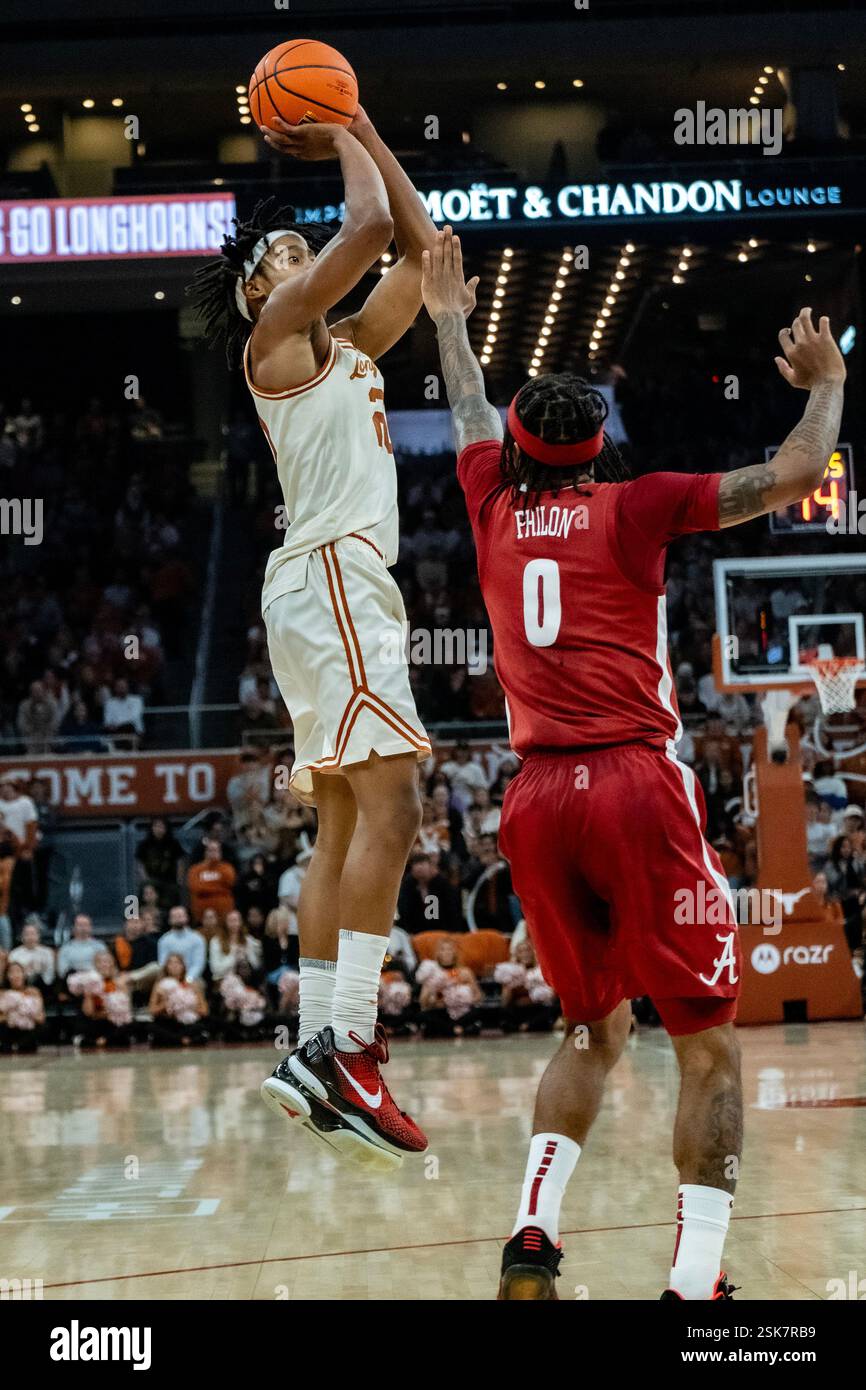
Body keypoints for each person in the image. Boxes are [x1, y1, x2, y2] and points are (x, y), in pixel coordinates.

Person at [424, 228, 847, 1300]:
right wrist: (826, 383)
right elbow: (799, 470)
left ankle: (532, 1233)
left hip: (533, 800)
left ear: (515, 450)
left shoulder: (487, 502)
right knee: (705, 1049)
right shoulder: (637, 502)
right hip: (631, 787)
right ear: (597, 443)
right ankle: (694, 1283)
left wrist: (446, 318)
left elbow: (468, 408)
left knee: (588, 1027)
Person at [190, 105, 473, 1167]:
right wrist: (342, 120)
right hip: (334, 579)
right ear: (257, 294)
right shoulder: (274, 341)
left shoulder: (349, 344)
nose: (294, 253)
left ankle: (317, 1045)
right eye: (277, 255)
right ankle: (348, 1045)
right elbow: (362, 227)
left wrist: (360, 124)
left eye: (294, 245)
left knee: (347, 819)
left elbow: (415, 245)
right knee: (395, 803)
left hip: (324, 587)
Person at [186, 838, 237, 926]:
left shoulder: (227, 868)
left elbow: (231, 882)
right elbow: (196, 888)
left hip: (224, 914)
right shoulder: (195, 869)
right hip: (201, 916)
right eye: (211, 850)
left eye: (216, 850)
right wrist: (220, 888)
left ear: (220, 852)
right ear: (205, 852)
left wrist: (206, 886)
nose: (213, 853)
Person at [157, 906, 206, 983]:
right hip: (170, 977)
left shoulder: (197, 938)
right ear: (169, 920)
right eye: (174, 917)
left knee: (199, 984)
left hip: (193, 978)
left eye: (180, 916)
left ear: (187, 918)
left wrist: (187, 980)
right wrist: (173, 980)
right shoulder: (164, 940)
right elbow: (162, 963)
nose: (178, 919)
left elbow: (198, 964)